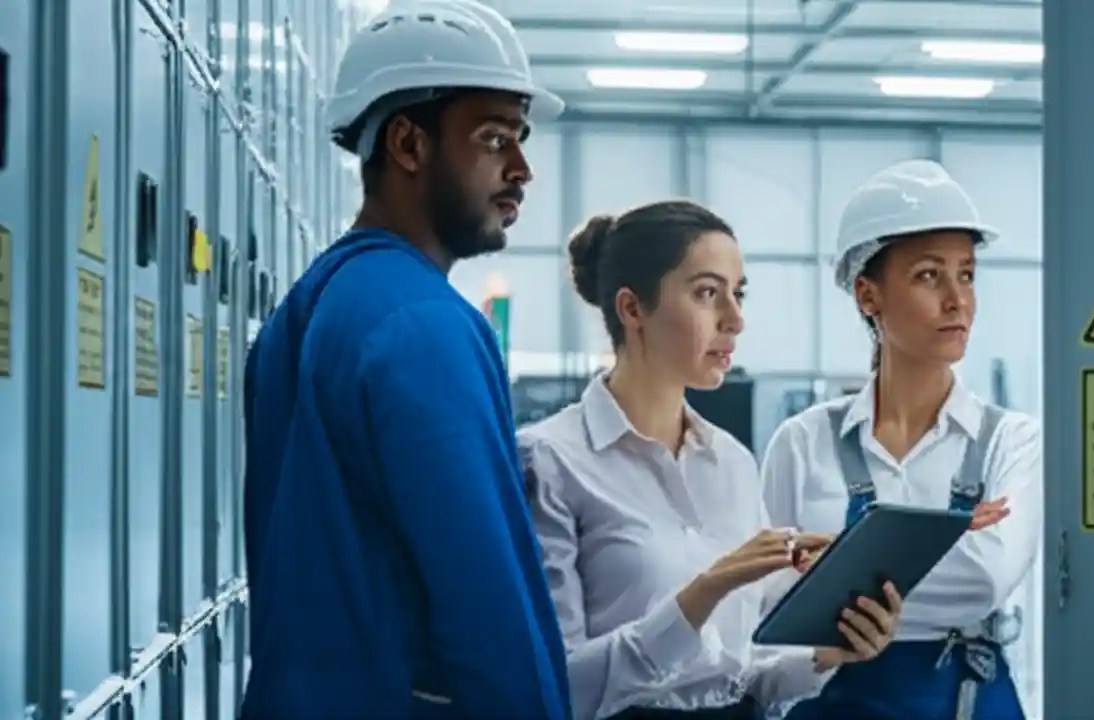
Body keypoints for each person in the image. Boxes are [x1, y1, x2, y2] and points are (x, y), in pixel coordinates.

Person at [239, 2, 572, 717]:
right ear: (408, 145)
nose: (522, 169)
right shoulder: (424, 325)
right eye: (493, 138)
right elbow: (486, 592)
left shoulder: (308, 309)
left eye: (520, 139)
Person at [517, 200, 905, 720]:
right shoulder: (550, 459)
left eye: (738, 294)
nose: (735, 320)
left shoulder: (733, 463)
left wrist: (829, 655)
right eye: (707, 293)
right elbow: (560, 688)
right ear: (632, 309)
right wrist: (708, 589)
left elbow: (748, 674)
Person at [760, 159, 1042, 720]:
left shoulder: (1013, 440)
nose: (958, 300)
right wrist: (952, 535)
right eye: (929, 275)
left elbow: (984, 581)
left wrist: (833, 570)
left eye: (966, 273)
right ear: (869, 295)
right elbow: (769, 611)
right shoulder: (802, 442)